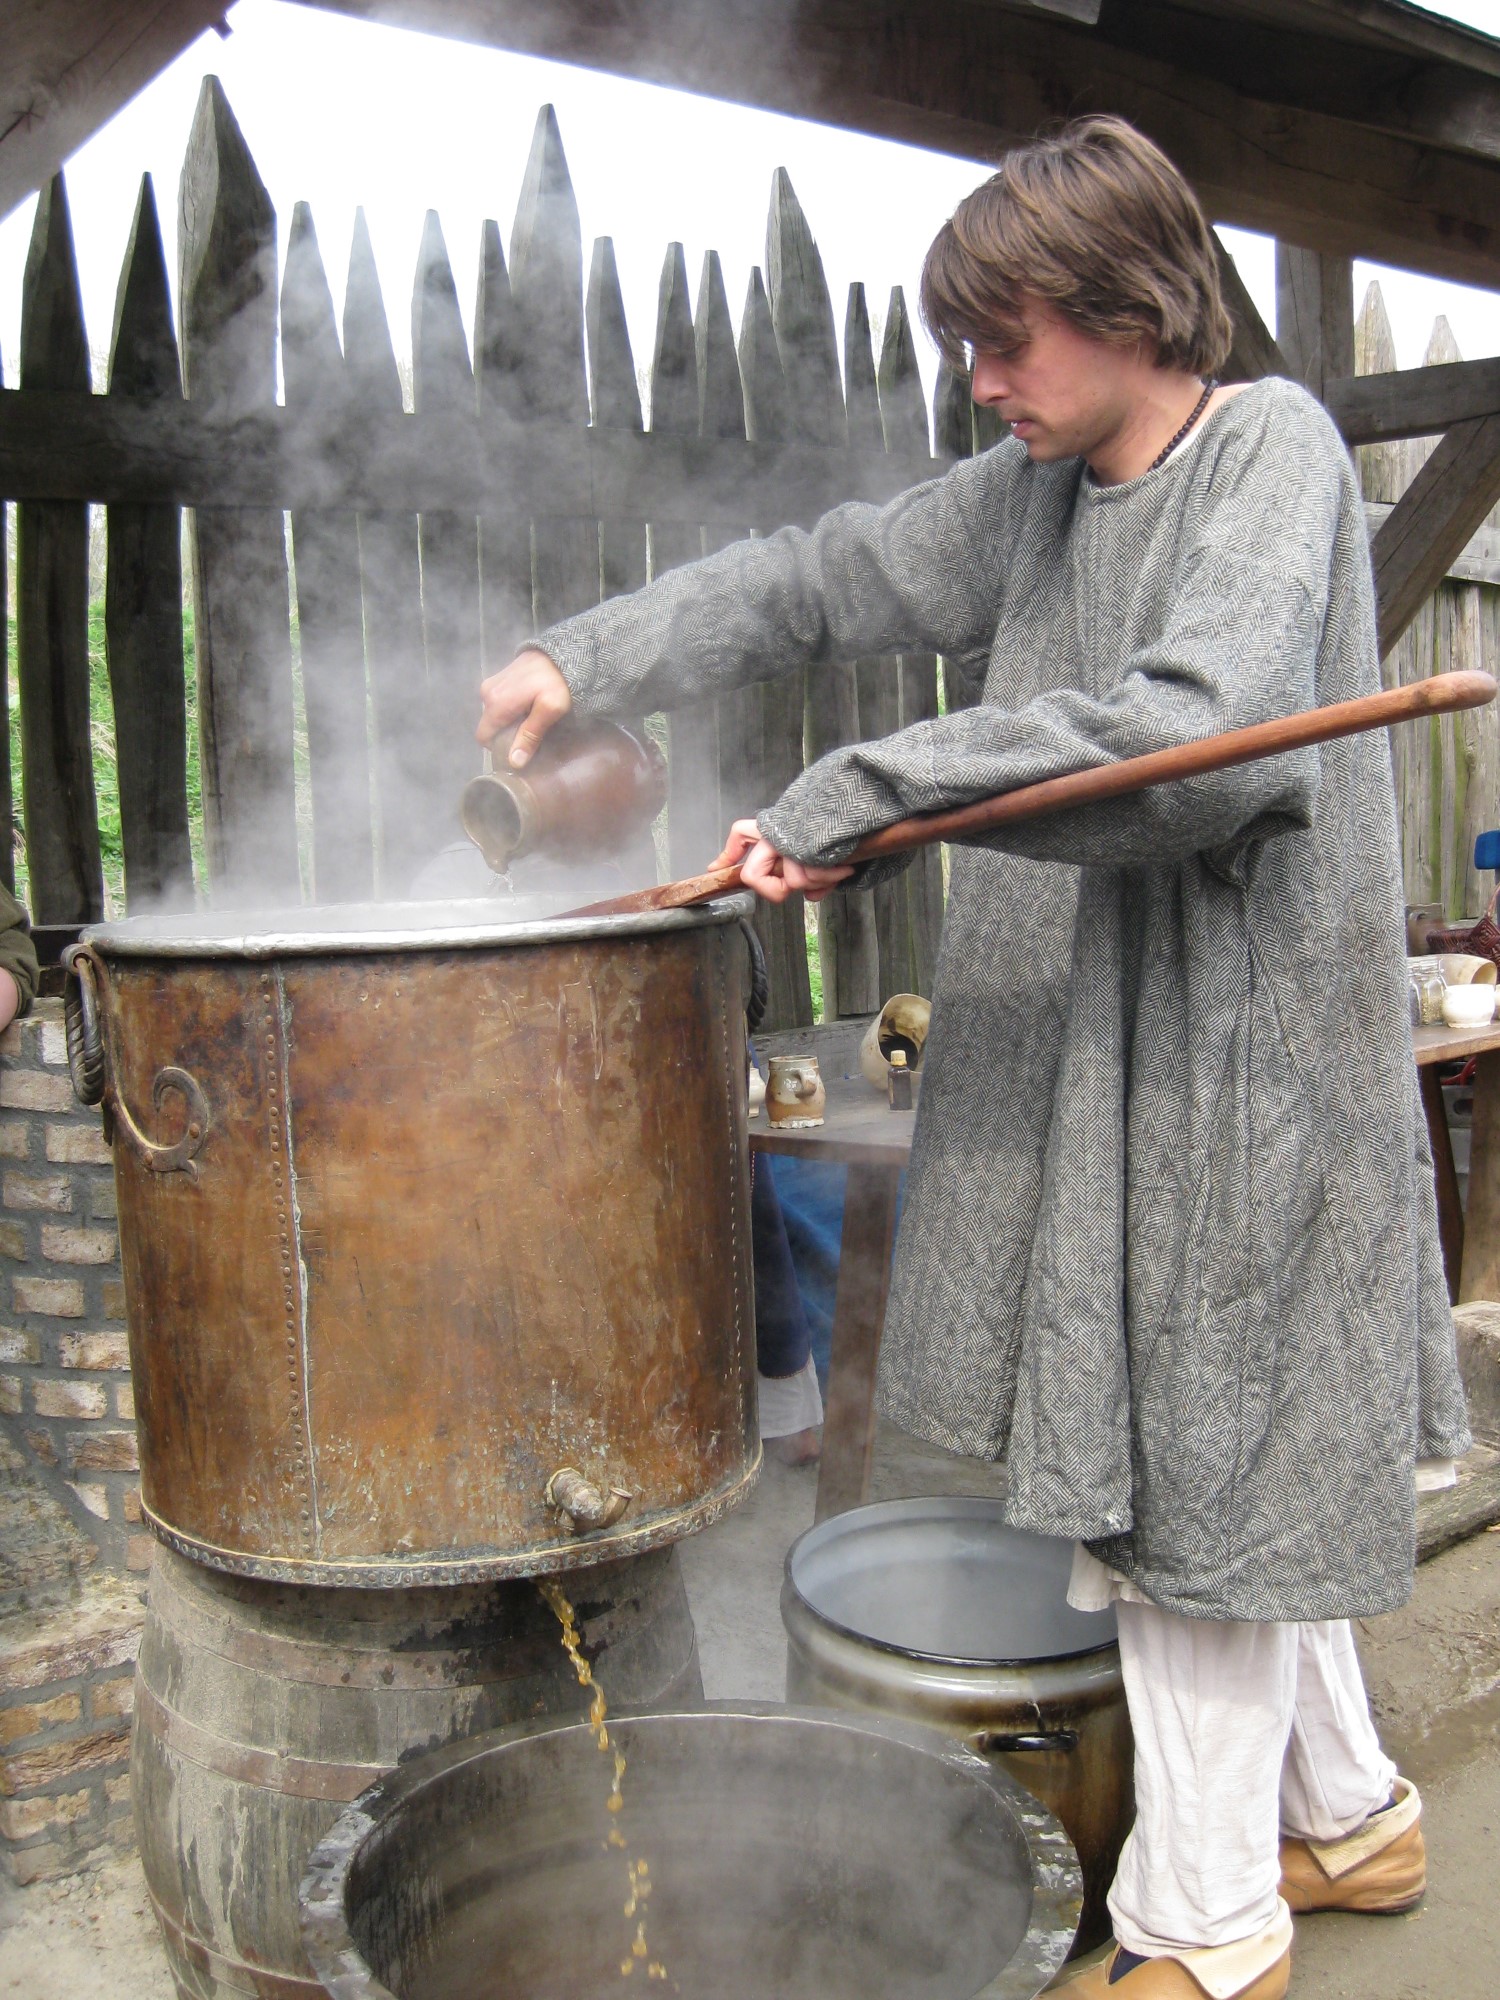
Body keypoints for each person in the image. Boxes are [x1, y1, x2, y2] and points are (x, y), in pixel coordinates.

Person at [476, 116, 1469, 2000]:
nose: (984, 381)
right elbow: (827, 576)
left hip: (1228, 1071)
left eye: (1010, 339)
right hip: (1098, 1053)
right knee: (1218, 1454)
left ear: (1132, 302)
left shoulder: (1273, 454)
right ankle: (1347, 1818)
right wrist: (582, 653)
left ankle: (1206, 1929)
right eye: (971, 346)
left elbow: (1212, 738)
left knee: (1189, 1483)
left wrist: (865, 792)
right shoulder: (1038, 492)